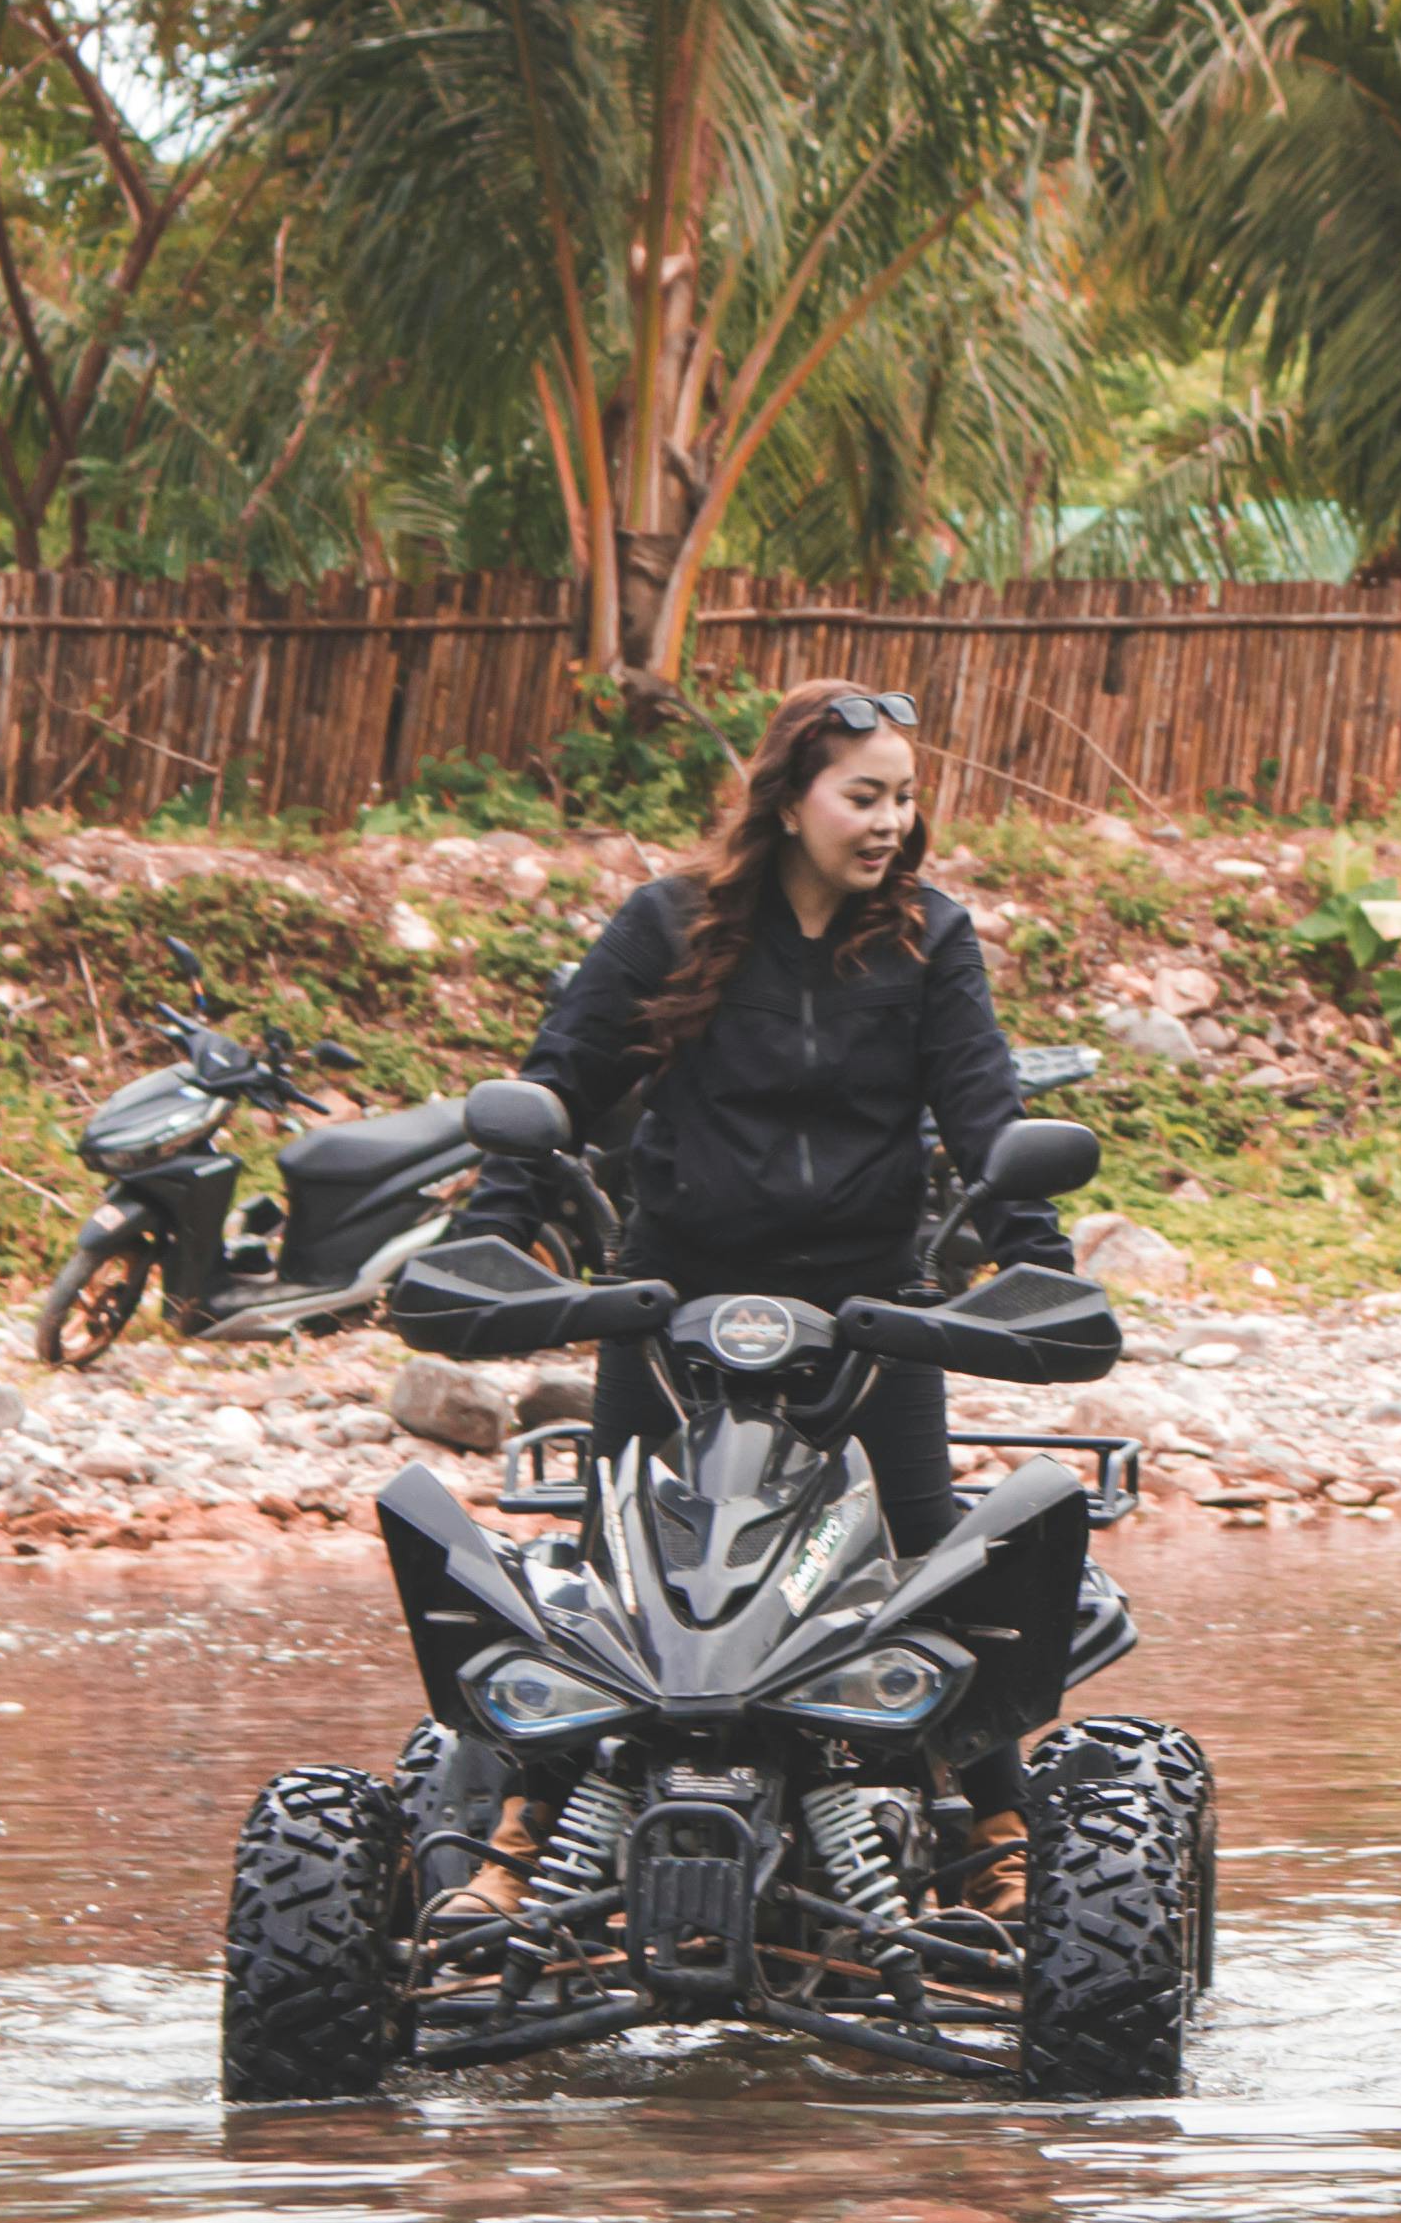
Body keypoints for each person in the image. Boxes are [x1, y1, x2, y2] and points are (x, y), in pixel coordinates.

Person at [449, 682, 1074, 1924]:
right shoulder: (668, 925)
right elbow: (558, 1087)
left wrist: (1035, 1263)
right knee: (612, 1563)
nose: (892, 821)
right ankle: (518, 1846)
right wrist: (488, 1237)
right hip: (674, 1303)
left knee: (925, 1556)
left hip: (870, 1313)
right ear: (791, 800)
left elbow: (987, 1118)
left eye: (905, 797)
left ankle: (997, 1832)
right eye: (865, 796)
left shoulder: (928, 939)